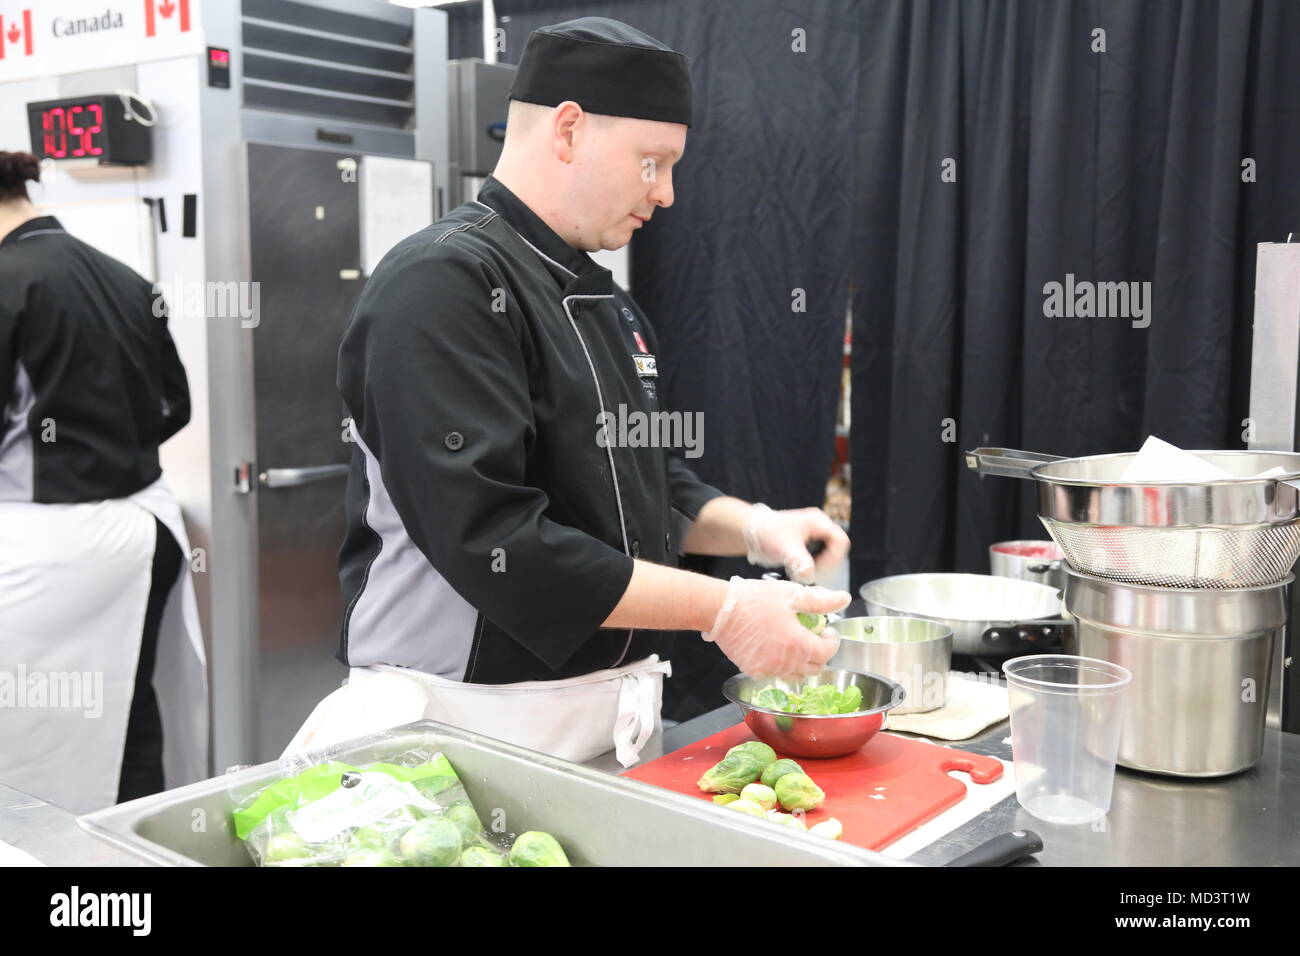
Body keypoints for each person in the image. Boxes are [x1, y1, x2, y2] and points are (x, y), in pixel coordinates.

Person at [287, 18, 850, 766]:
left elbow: (642, 485)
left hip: (607, 719)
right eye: (653, 163)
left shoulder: (606, 301)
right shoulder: (442, 285)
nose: (669, 193)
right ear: (569, 129)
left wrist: (751, 528)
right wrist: (725, 609)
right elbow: (497, 543)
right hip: (461, 723)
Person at [0, 150, 207, 812]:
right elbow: (175, 406)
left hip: (48, 547)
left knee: (31, 738)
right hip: (145, 532)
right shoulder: (122, 276)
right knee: (126, 709)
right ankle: (129, 863)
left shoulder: (7, 281)